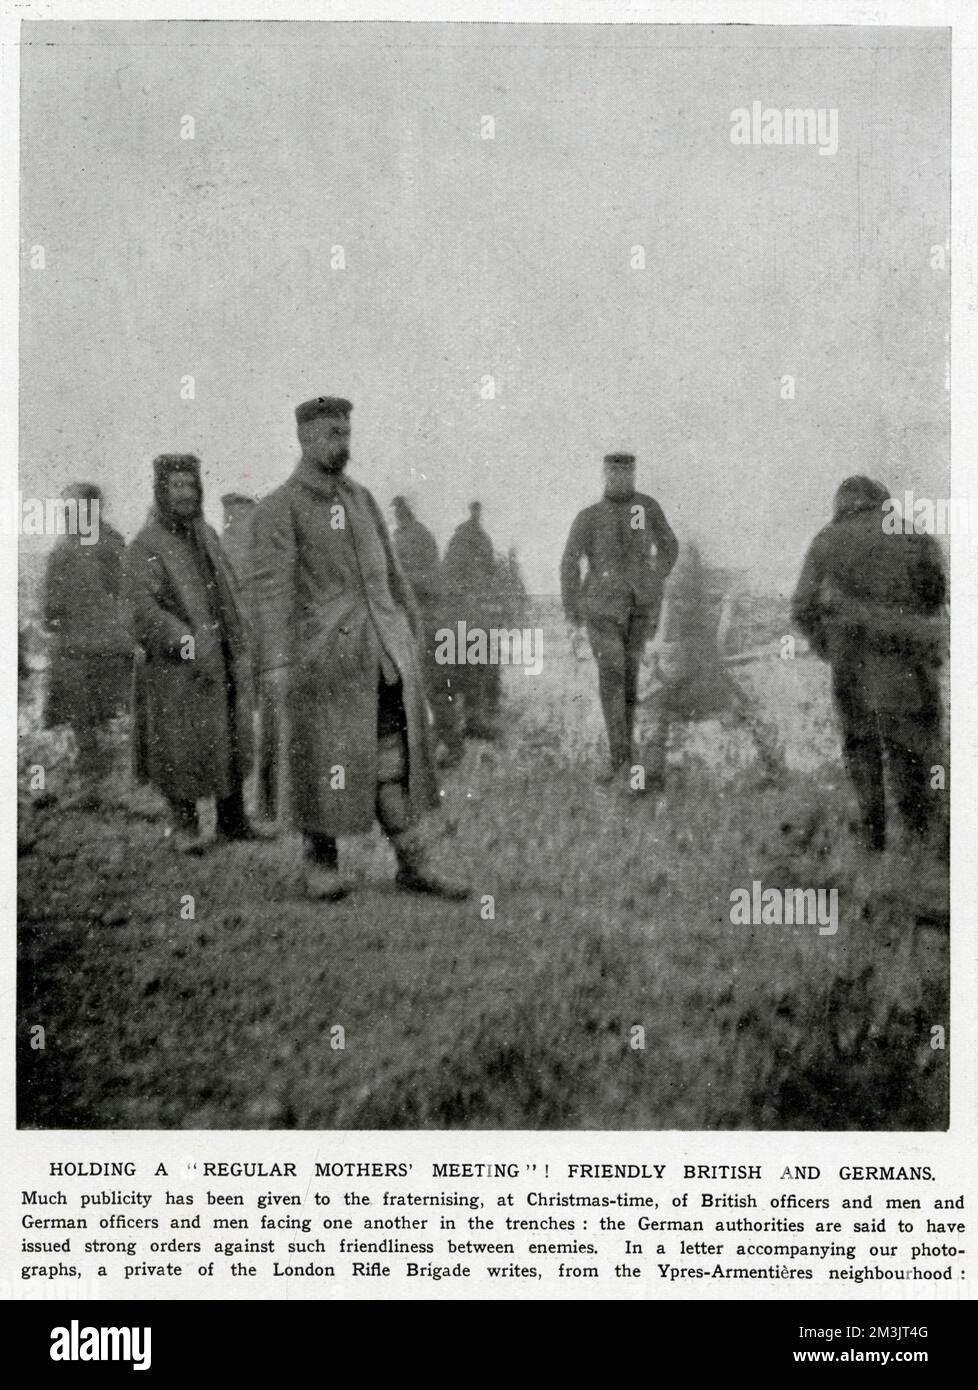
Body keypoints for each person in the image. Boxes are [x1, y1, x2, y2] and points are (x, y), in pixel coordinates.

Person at [247, 396, 468, 901]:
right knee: (322, 760)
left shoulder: (362, 498)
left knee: (390, 757)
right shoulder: (278, 510)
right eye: (331, 434)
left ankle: (413, 863)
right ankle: (319, 861)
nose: (342, 443)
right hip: (321, 661)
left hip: (381, 653)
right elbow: (271, 595)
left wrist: (409, 631)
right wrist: (279, 663)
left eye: (346, 432)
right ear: (304, 439)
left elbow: (391, 575)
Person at [791, 474, 947, 852]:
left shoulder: (826, 541)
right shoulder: (916, 538)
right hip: (909, 672)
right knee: (912, 756)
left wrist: (828, 647)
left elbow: (802, 607)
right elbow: (936, 596)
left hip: (852, 672)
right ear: (883, 502)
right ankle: (921, 843)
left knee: (862, 754)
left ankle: (873, 840)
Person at [125, 454, 261, 853]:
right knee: (178, 748)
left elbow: (229, 591)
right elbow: (140, 610)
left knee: (230, 740)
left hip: (221, 661)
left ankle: (233, 821)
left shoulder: (207, 535)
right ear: (161, 492)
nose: (185, 494)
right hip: (176, 670)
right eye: (176, 486)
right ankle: (184, 826)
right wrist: (185, 641)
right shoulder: (145, 545)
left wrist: (238, 641)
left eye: (190, 485)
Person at [560, 451, 679, 783]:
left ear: (634, 474)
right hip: (601, 610)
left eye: (626, 473)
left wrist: (655, 576)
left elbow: (670, 546)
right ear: (604, 476)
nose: (620, 479)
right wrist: (572, 614)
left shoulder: (646, 508)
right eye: (614, 473)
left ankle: (623, 754)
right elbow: (569, 563)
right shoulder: (589, 518)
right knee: (612, 673)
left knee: (628, 682)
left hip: (637, 611)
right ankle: (620, 758)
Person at [637, 542, 783, 792]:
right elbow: (719, 642)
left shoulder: (672, 595)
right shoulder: (700, 596)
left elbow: (664, 644)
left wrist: (653, 655)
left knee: (651, 713)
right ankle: (774, 771)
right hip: (707, 680)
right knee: (747, 712)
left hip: (681, 682)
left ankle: (649, 782)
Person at [42, 482, 131, 808]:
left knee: (101, 718)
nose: (71, 514)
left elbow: (124, 594)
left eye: (78, 507)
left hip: (101, 646)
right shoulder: (64, 544)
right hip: (71, 646)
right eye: (67, 508)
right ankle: (87, 785)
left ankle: (99, 787)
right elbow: (51, 598)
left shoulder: (109, 544)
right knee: (79, 720)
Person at [391, 495, 464, 767]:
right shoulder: (408, 536)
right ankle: (432, 745)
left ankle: (452, 746)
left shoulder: (416, 540)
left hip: (432, 626)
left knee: (437, 690)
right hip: (418, 626)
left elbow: (421, 581)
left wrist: (402, 581)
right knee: (422, 692)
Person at [442, 500, 501, 739]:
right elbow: (486, 571)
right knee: (476, 662)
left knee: (476, 661)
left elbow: (486, 571)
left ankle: (476, 712)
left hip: (467, 606)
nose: (477, 514)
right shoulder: (473, 539)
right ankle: (474, 715)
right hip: (467, 607)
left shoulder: (469, 539)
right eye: (476, 511)